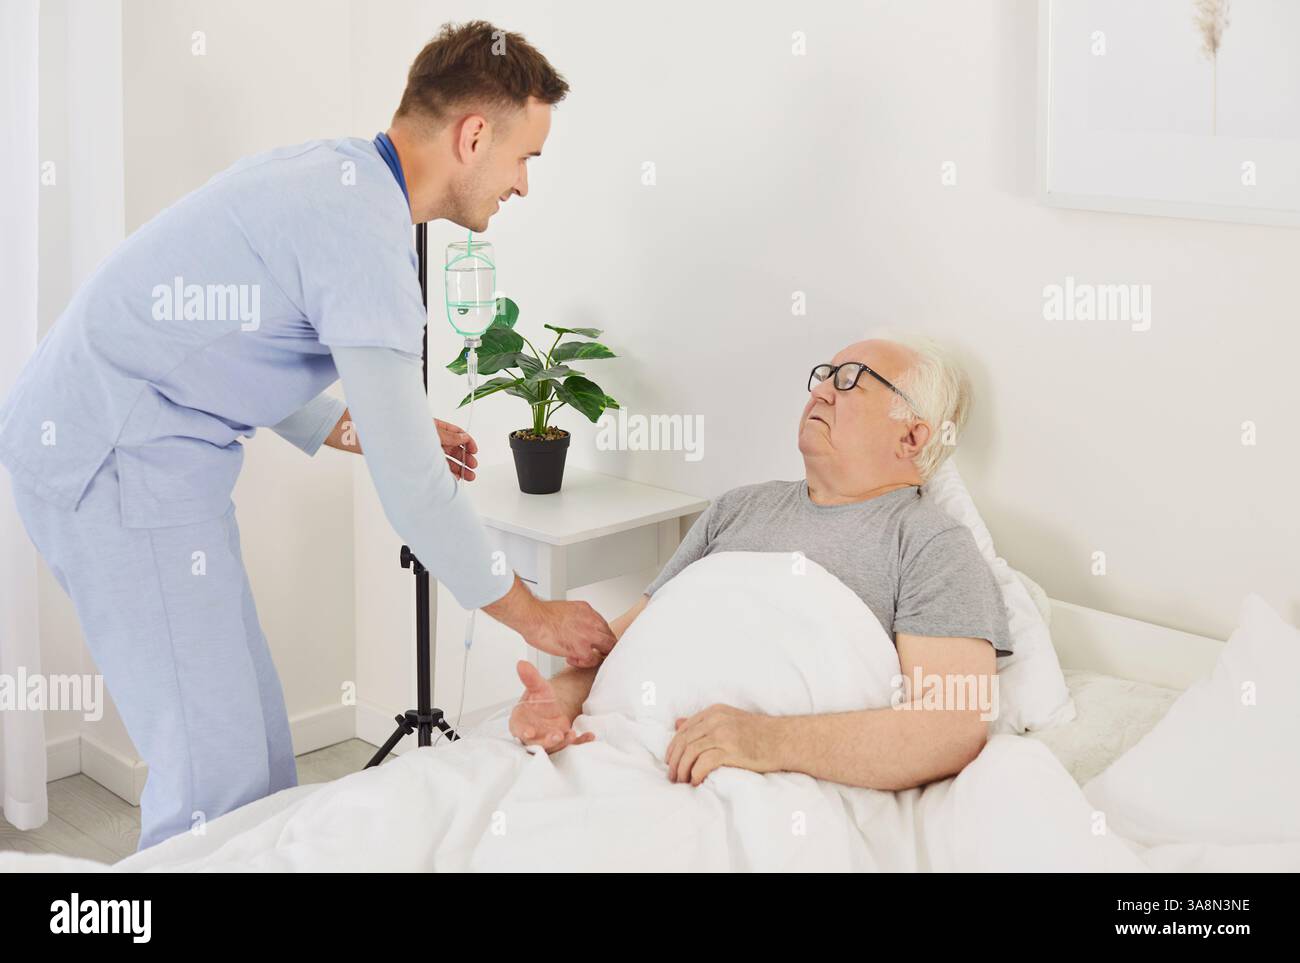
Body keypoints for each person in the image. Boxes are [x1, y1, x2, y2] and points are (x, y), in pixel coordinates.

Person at [0, 21, 614, 850]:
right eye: (524, 158)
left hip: (145, 449)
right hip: (113, 455)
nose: (523, 185)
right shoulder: (366, 232)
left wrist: (367, 423)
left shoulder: (338, 181)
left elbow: (223, 332)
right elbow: (417, 494)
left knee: (254, 752)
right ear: (474, 136)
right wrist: (535, 615)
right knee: (210, 784)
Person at [508, 335, 1012, 792]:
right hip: (609, 746)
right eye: (824, 375)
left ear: (913, 438)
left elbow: (951, 725)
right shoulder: (737, 508)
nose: (822, 392)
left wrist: (765, 740)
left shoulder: (930, 544)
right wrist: (556, 702)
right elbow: (617, 647)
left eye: (852, 380)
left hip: (745, 785)